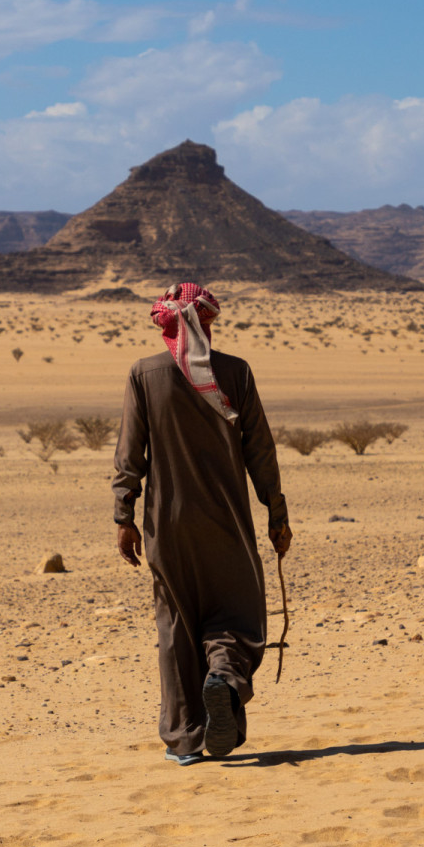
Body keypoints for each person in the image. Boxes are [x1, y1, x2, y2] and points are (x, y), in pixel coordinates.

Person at [112, 282, 292, 764]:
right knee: (236, 611)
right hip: (227, 519)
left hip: (166, 525)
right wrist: (277, 515)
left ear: (164, 322)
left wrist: (124, 517)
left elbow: (130, 454)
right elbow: (260, 451)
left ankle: (186, 738)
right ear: (208, 320)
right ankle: (226, 679)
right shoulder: (235, 372)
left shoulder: (143, 374)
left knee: (176, 624)